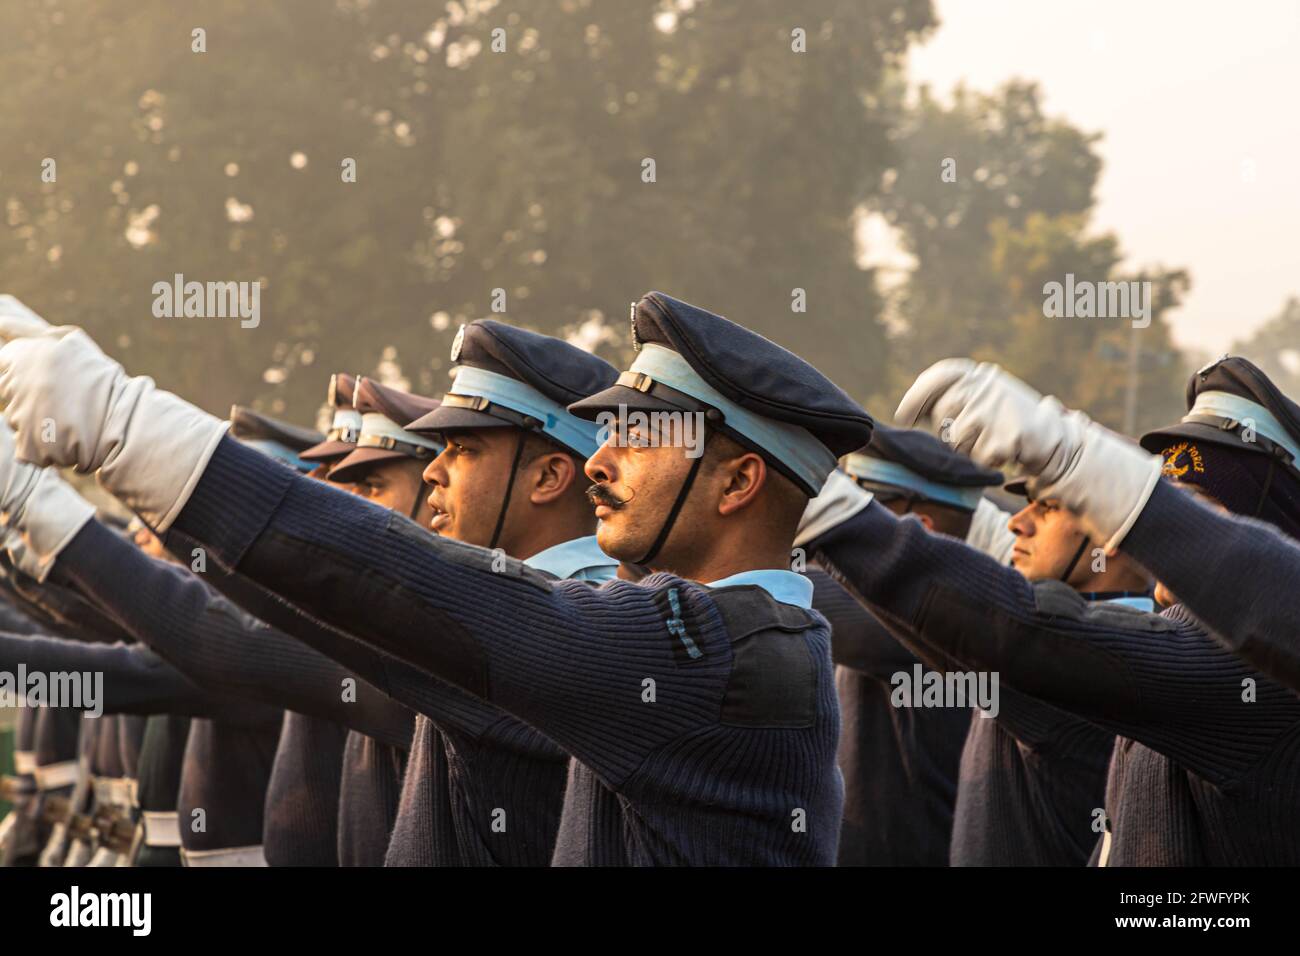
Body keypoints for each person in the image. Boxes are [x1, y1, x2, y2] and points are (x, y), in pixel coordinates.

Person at [0, 291, 873, 865]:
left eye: (641, 437)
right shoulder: (690, 629)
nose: (602, 460)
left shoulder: (707, 653)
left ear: (737, 483)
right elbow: (336, 605)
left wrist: (124, 427)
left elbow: (393, 578)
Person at [791, 355, 1300, 864]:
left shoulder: (1241, 674)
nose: (1020, 522)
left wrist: (828, 513)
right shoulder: (1172, 640)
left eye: (1196, 514)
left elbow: (1021, 629)